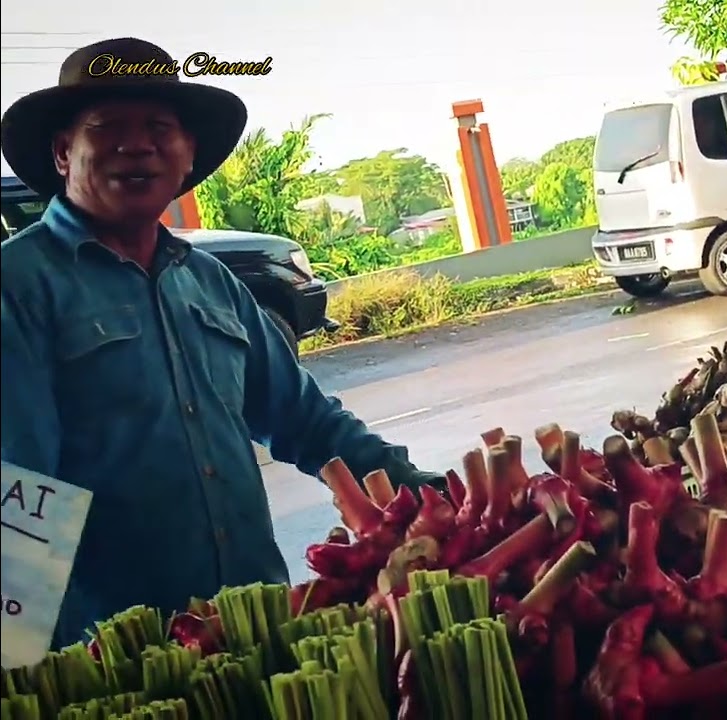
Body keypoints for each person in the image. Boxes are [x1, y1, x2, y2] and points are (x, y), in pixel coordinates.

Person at [0, 38, 444, 650]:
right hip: (120, 662)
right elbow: (17, 494)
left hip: (254, 628)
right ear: (61, 152)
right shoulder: (18, 286)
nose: (138, 145)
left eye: (160, 126)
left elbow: (308, 422)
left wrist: (432, 495)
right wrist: (28, 668)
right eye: (108, 128)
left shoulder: (210, 281)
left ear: (187, 157)